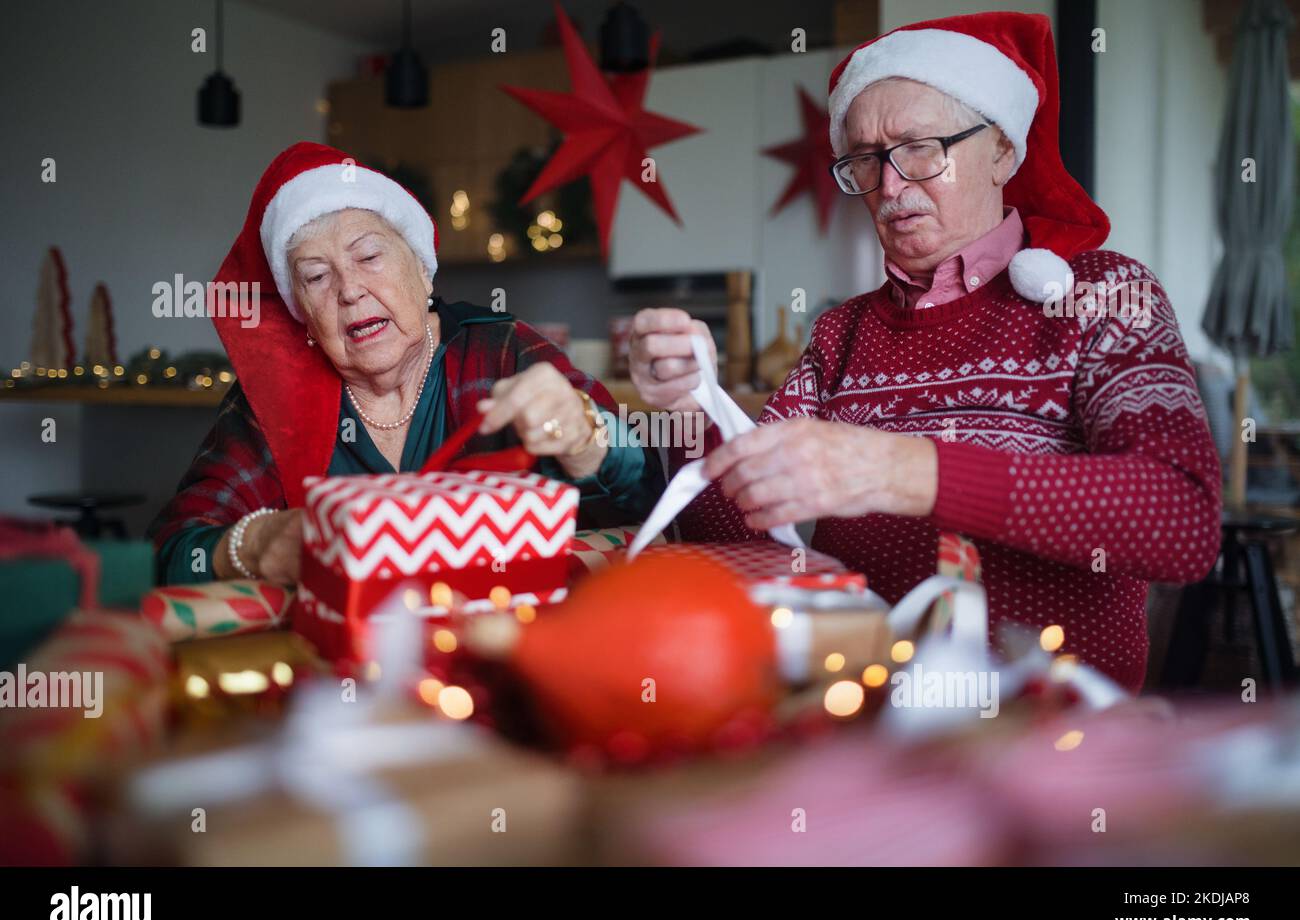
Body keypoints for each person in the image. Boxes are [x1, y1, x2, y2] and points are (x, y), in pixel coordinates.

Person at [628, 12, 1221, 691]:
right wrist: (690, 405)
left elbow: (1183, 518)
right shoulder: (838, 334)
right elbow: (738, 535)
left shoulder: (1103, 293)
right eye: (864, 160)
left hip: (1050, 735)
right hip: (860, 715)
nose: (889, 187)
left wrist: (900, 470)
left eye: (918, 149)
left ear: (1002, 148)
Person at [150, 142, 661, 586]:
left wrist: (583, 439)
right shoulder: (272, 400)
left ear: (421, 267)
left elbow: (645, 502)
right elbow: (169, 551)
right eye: (316, 277)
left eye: (368, 256)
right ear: (301, 314)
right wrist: (258, 543)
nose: (349, 290)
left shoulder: (501, 352)